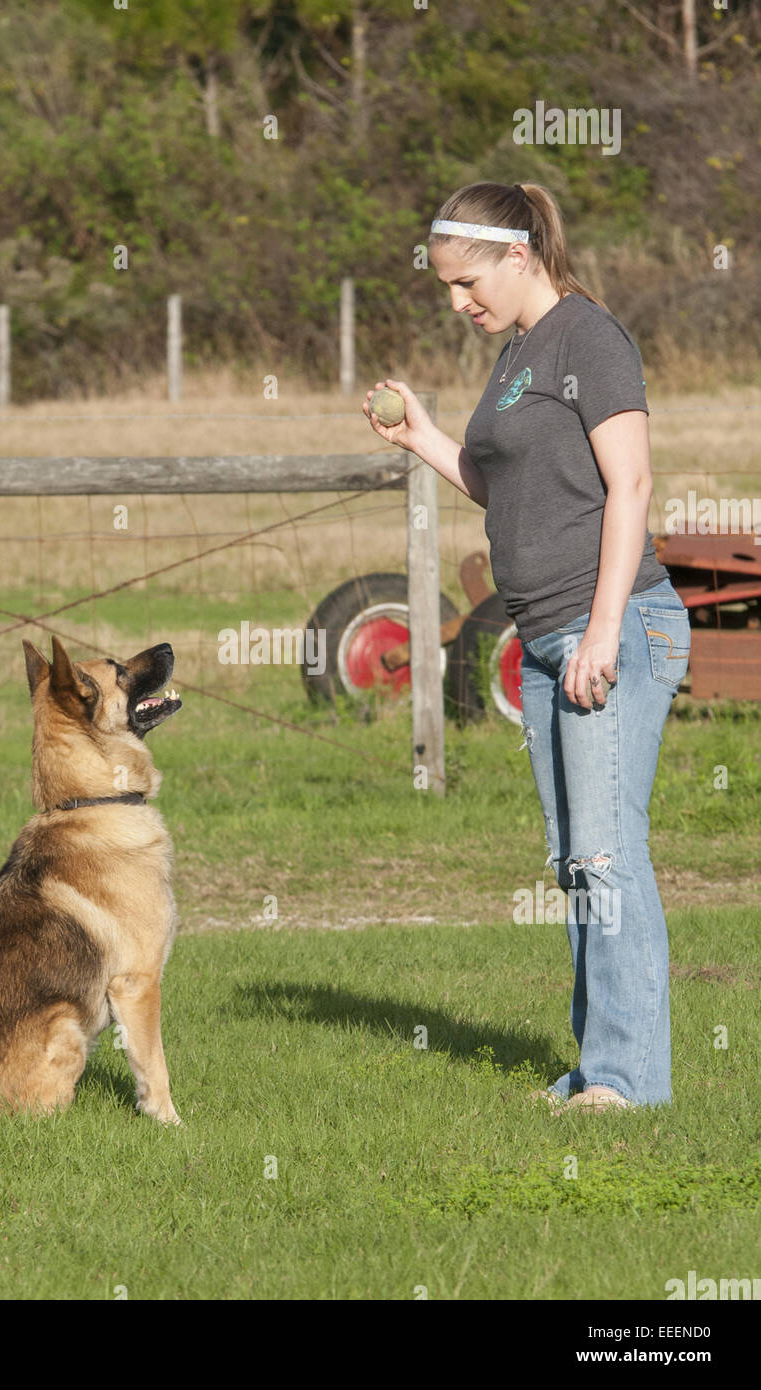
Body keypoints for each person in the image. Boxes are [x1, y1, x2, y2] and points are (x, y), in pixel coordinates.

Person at [363, 181, 690, 1112]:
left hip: (613, 626)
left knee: (605, 856)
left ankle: (628, 1082)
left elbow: (628, 489)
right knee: (572, 860)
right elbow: (506, 489)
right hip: (548, 637)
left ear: (518, 254)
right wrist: (422, 434)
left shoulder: (588, 338)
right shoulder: (518, 355)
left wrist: (597, 633)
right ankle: (599, 1067)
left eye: (466, 281)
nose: (456, 301)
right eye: (444, 287)